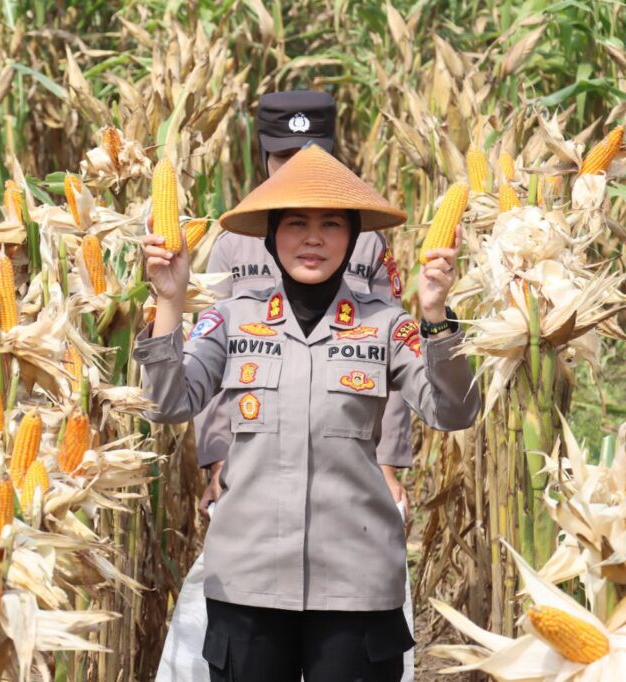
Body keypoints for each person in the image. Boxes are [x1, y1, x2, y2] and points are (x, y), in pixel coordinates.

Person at [137, 144, 479, 681]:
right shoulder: (230, 320)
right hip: (249, 581)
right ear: (272, 236)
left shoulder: (387, 325)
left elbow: (452, 412)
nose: (313, 238)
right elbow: (165, 404)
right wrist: (169, 301)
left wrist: (434, 314)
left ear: (352, 237)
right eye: (296, 223)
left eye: (331, 224)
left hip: (356, 583)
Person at [198, 90, 411, 517]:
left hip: (344, 469)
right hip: (253, 466)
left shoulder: (366, 242)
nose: (299, 171)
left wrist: (387, 464)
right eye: (284, 158)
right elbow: (207, 367)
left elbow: (395, 362)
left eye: (311, 156)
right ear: (264, 158)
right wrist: (216, 463)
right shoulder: (232, 245)